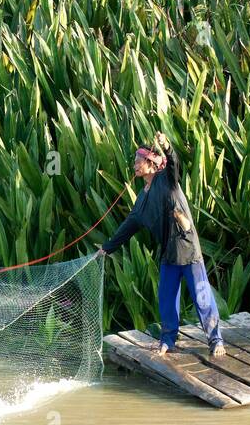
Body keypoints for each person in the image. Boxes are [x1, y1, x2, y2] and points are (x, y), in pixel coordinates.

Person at [95, 134, 226, 358]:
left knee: (202, 298)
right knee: (166, 300)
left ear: (152, 164)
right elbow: (127, 227)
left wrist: (167, 146)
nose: (134, 164)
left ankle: (215, 340)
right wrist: (106, 249)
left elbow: (174, 161)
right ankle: (167, 341)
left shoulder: (167, 180)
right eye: (135, 160)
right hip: (168, 254)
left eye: (139, 160)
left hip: (188, 250)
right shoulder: (141, 201)